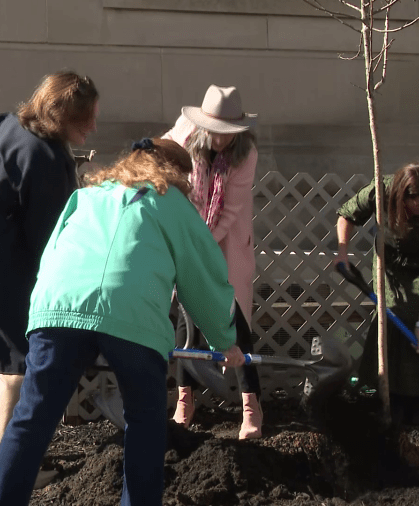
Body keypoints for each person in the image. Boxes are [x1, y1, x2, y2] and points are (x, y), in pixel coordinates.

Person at [0, 138, 247, 506]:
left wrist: (45, 315)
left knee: (31, 418)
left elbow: (54, 252)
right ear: (176, 174)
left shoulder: (87, 197)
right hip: (131, 314)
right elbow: (203, 278)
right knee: (145, 422)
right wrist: (224, 340)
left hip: (57, 308)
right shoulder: (170, 201)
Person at [0, 71, 99, 485]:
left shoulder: (5, 123)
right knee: (17, 363)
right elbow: (50, 237)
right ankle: (4, 471)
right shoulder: (49, 158)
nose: (93, 126)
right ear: (64, 116)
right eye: (86, 119)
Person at [162, 84, 263, 439]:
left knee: (234, 319)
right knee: (186, 322)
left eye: (228, 134)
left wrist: (197, 251)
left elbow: (229, 212)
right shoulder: (184, 135)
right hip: (188, 234)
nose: (221, 141)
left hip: (226, 241)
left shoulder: (245, 154)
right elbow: (158, 159)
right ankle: (184, 402)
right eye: (215, 133)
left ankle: (252, 408)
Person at [335, 161, 419, 424]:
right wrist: (343, 252)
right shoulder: (382, 191)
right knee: (394, 318)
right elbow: (347, 215)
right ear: (404, 197)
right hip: (388, 267)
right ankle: (391, 398)